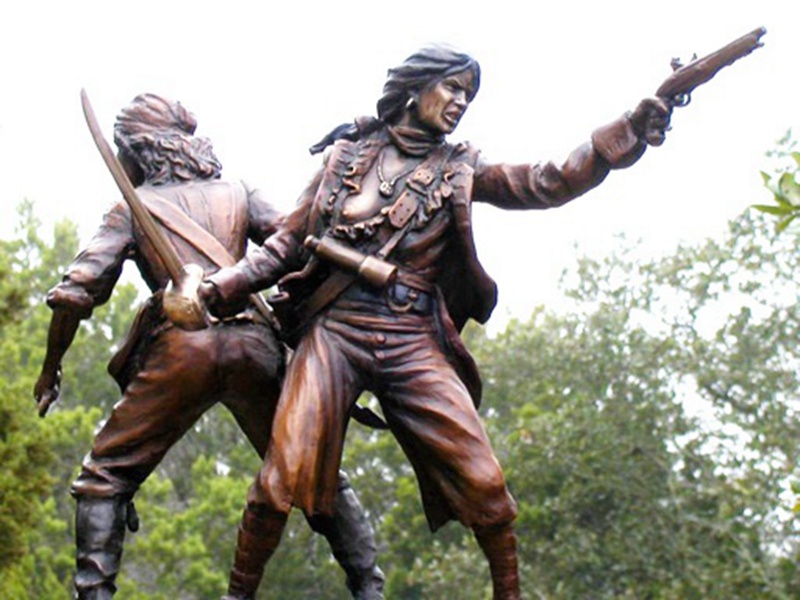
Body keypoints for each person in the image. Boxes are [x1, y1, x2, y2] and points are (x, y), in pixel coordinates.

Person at [202, 45, 671, 600]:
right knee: (280, 478)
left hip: (411, 338)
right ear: (415, 88)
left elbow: (551, 181)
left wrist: (630, 130)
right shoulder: (343, 159)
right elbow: (285, 241)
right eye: (451, 87)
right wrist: (222, 285)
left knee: (486, 485)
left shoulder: (459, 170)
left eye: (468, 94)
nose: (460, 102)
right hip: (335, 332)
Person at [33, 93, 384, 600]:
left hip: (182, 351)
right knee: (312, 467)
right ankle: (370, 590)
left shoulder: (130, 209)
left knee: (104, 478)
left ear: (138, 152)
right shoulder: (239, 193)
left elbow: (74, 294)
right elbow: (302, 244)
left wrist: (51, 368)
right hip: (253, 346)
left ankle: (94, 593)